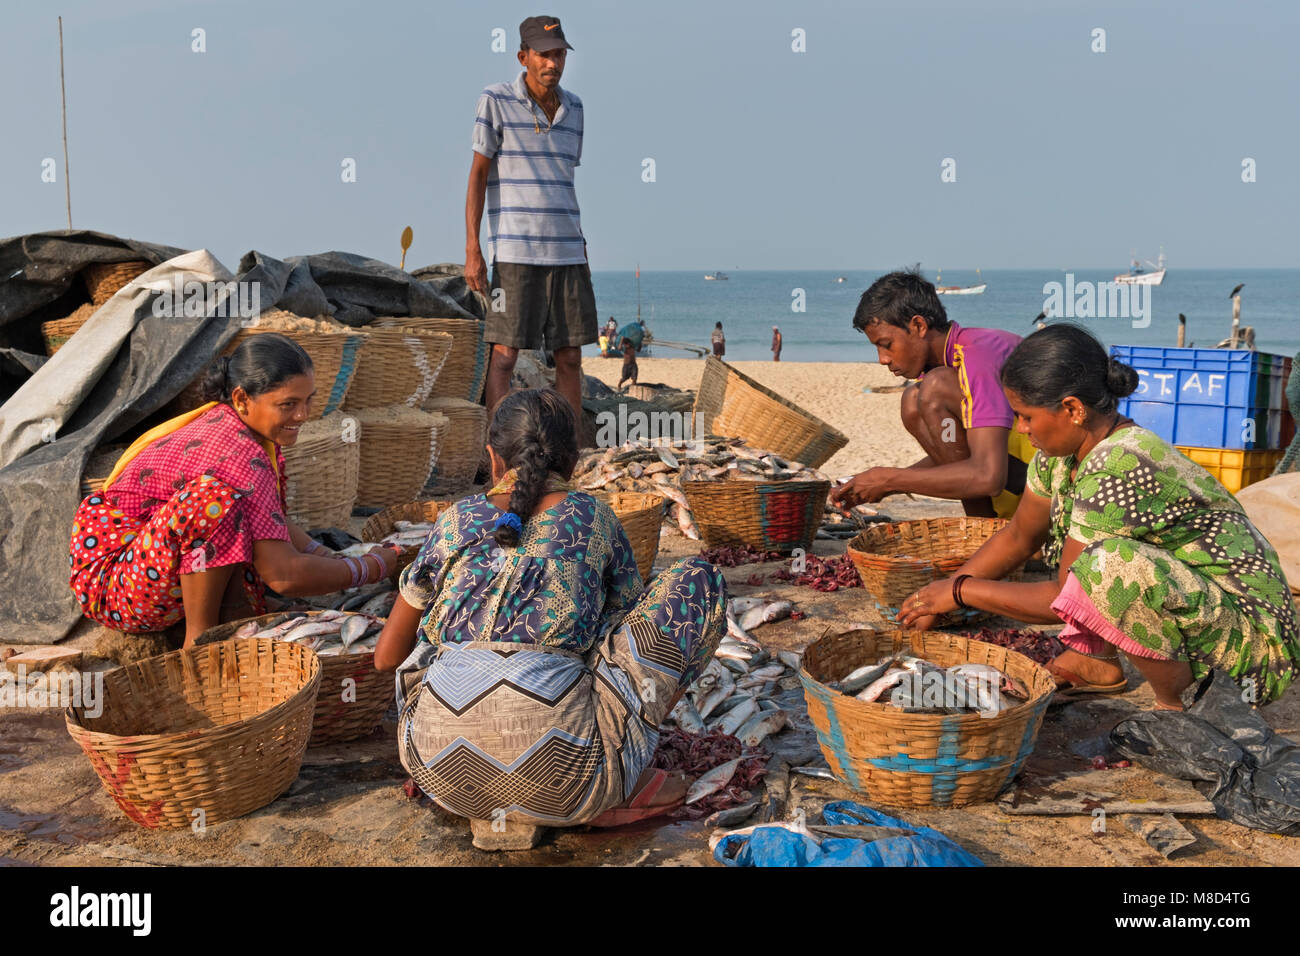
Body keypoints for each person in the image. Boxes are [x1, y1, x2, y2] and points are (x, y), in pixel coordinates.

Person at [375, 388, 727, 828]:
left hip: (438, 773)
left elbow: (386, 658)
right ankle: (607, 778)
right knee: (698, 580)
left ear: (493, 457)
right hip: (576, 780)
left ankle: (503, 784)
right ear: (574, 461)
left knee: (439, 644)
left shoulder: (454, 521)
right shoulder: (593, 518)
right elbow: (626, 632)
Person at [897, 325, 1300, 709]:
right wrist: (941, 593)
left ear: (1072, 409)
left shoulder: (1119, 461)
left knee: (1109, 568)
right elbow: (1020, 536)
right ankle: (1096, 661)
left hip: (1256, 653)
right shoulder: (1057, 458)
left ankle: (1181, 705)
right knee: (1091, 556)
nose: (1021, 428)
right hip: (1206, 611)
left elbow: (1066, 596)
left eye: (1026, 416)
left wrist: (961, 591)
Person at [68, 334, 400, 646]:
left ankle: (220, 617)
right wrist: (369, 568)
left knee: (239, 519)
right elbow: (283, 575)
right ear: (242, 398)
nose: (303, 415)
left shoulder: (245, 430)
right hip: (116, 584)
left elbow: (269, 520)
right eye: (288, 404)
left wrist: (323, 554)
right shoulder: (237, 450)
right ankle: (199, 639)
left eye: (308, 400)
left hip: (146, 561)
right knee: (215, 503)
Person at [464, 15, 596, 443]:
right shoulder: (496, 100)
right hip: (516, 255)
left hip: (569, 254)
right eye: (543, 54)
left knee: (570, 358)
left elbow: (562, 182)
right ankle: (500, 454)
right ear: (523, 57)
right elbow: (478, 175)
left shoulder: (575, 109)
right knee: (503, 357)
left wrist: (583, 245)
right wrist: (473, 248)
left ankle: (569, 455)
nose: (552, 63)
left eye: (558, 54)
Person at [831, 268, 1035, 519]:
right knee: (912, 403)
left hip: (1048, 476)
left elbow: (989, 476)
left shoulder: (974, 356)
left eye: (887, 345)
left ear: (918, 325)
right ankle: (981, 529)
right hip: (1017, 470)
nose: (882, 359)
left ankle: (983, 530)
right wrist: (877, 483)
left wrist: (889, 479)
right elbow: (958, 450)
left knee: (932, 390)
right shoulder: (943, 369)